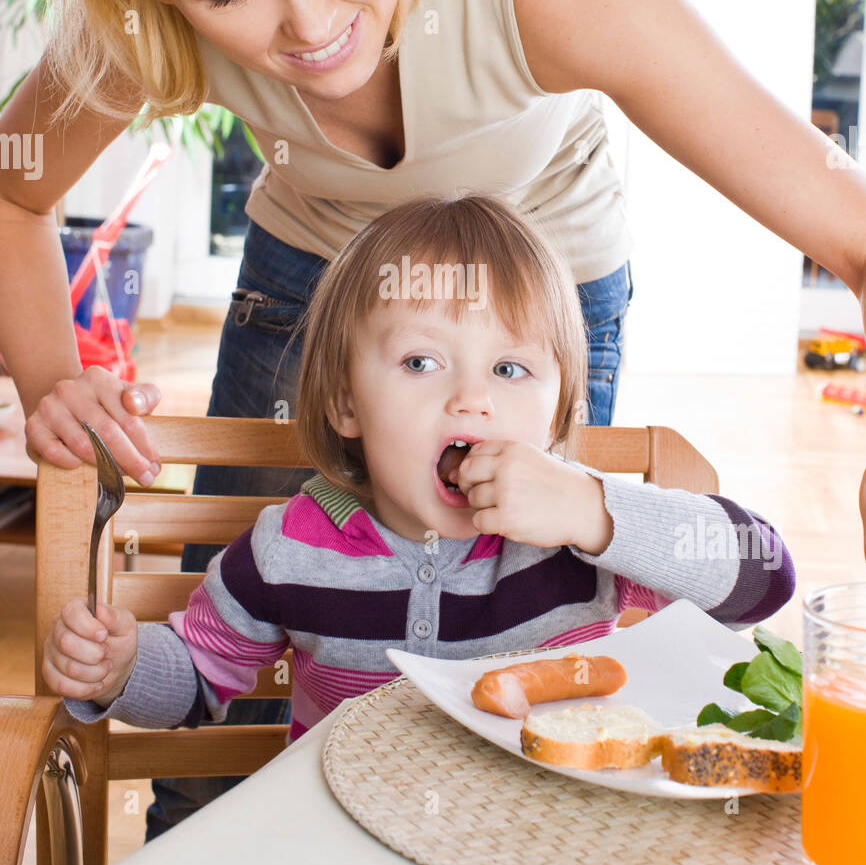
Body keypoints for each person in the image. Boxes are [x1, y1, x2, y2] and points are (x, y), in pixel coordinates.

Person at [0, 0, 852, 831]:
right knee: (240, 661)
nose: (309, 25)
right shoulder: (146, 26)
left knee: (533, 614)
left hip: (532, 277)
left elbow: (840, 224)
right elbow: (13, 191)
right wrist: (55, 381)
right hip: (318, 263)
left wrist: (594, 506)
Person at [42, 193, 795, 764]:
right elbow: (199, 681)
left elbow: (766, 578)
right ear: (345, 402)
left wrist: (594, 513)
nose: (470, 397)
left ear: (562, 406)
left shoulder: (583, 539)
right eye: (420, 363)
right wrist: (121, 667)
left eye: (509, 368)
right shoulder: (289, 548)